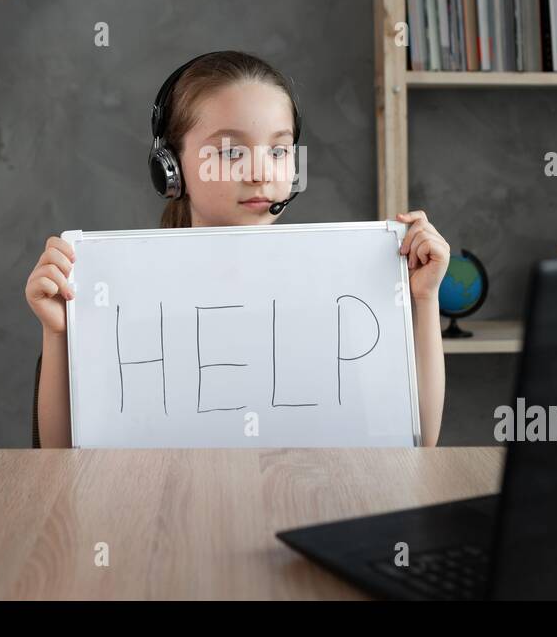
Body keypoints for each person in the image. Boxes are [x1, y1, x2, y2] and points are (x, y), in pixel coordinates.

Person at [25, 50, 449, 447]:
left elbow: (418, 438)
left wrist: (423, 299)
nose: (262, 172)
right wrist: (60, 332)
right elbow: (62, 455)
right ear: (169, 169)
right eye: (230, 152)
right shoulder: (114, 289)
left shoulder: (343, 289)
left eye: (279, 150)